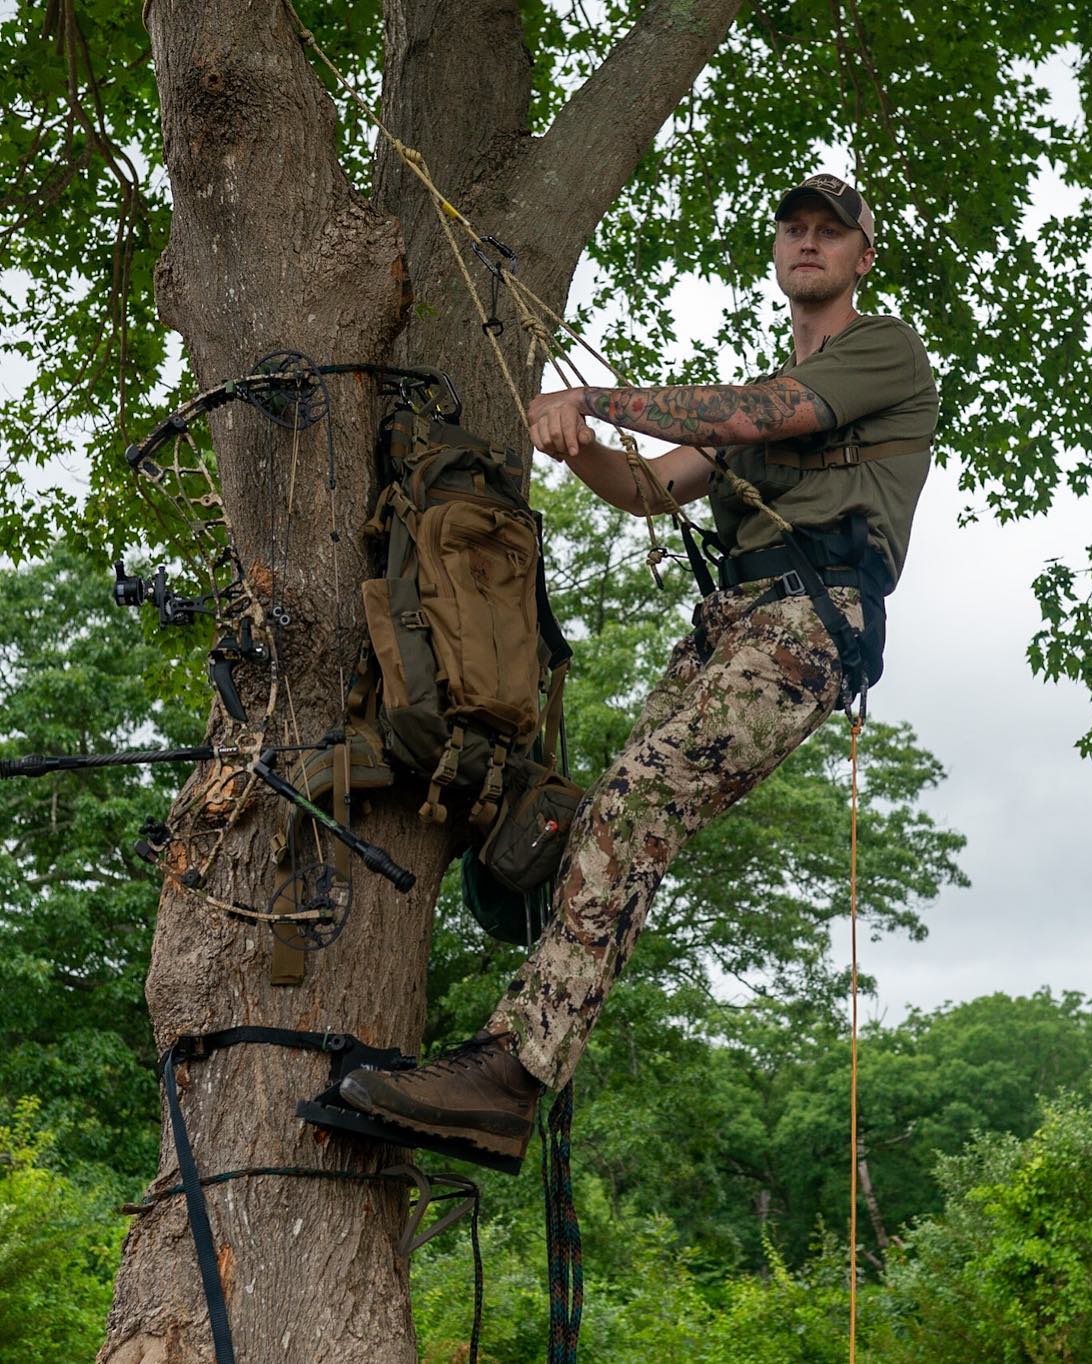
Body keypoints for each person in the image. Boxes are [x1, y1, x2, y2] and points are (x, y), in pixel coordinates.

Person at [339, 173, 939, 1170]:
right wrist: (575, 444)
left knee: (640, 801)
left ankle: (511, 1072)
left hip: (810, 618)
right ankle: (512, 973)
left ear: (860, 259)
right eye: (792, 227)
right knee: (595, 808)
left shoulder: (881, 350)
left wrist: (594, 396)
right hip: (730, 622)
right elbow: (648, 485)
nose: (807, 242)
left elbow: (759, 413)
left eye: (830, 233)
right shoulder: (749, 396)